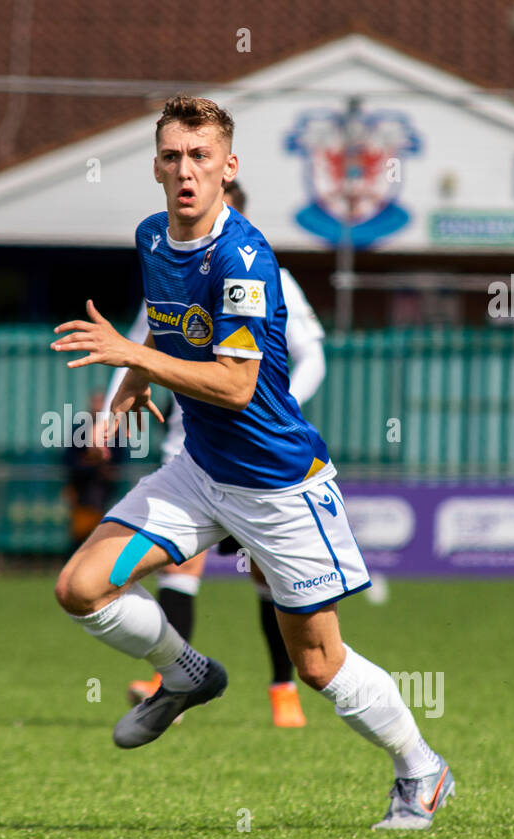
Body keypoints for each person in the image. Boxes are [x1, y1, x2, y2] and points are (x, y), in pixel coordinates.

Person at [51, 95, 452, 829]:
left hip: (276, 484)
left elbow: (236, 386)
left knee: (319, 664)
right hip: (200, 471)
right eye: (172, 157)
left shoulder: (244, 257)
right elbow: (170, 327)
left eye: (201, 157)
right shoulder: (151, 237)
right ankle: (187, 673)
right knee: (82, 587)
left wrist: (133, 356)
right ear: (156, 166)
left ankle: (420, 770)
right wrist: (138, 381)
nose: (186, 172)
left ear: (228, 168)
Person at [106, 178, 326, 728]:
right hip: (189, 447)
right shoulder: (169, 264)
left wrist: (275, 404)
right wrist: (119, 396)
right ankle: (172, 681)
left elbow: (311, 356)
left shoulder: (264, 271)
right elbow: (141, 342)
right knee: (176, 568)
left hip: (253, 458)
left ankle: (282, 689)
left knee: (267, 578)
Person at [63, 390, 129, 556]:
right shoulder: (80, 429)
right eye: (96, 403)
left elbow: (120, 458)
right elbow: (69, 458)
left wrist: (107, 466)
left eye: (102, 403)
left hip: (105, 486)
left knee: (104, 525)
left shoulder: (115, 430)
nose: (98, 407)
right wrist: (90, 462)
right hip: (83, 485)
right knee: (81, 528)